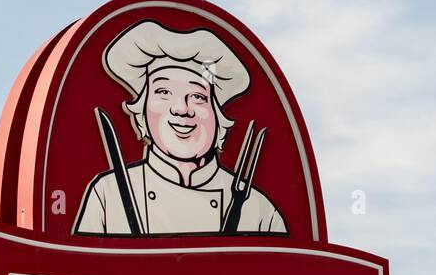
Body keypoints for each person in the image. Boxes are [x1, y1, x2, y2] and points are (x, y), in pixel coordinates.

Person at [74, 20, 286, 236]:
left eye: (197, 96)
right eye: (164, 92)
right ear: (142, 113)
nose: (181, 109)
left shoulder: (258, 211)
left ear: (218, 117)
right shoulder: (108, 195)